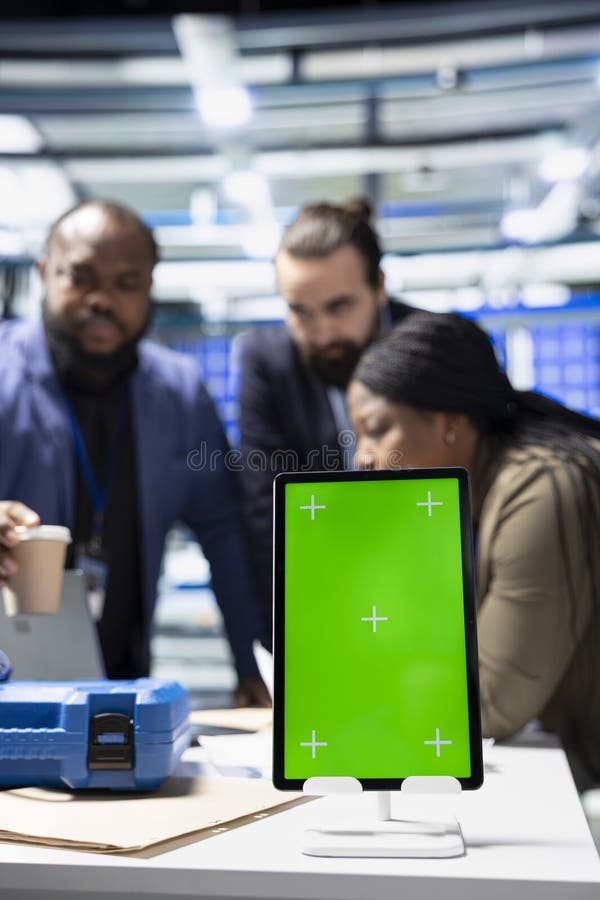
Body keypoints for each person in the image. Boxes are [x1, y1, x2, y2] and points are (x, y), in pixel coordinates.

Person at [0, 199, 270, 706]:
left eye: (126, 284)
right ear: (43, 272)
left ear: (150, 289)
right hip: (8, 693)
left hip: (124, 690)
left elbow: (224, 535)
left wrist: (251, 666)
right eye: (81, 276)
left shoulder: (180, 395)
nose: (102, 299)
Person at [347, 309, 600, 784]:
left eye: (378, 429)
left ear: (450, 422)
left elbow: (486, 704)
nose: (362, 456)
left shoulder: (541, 488)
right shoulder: (460, 500)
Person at [238, 199, 414, 620]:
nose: (321, 334)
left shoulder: (433, 346)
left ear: (379, 286)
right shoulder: (266, 360)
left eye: (339, 307)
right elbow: (266, 512)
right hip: (315, 591)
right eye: (300, 311)